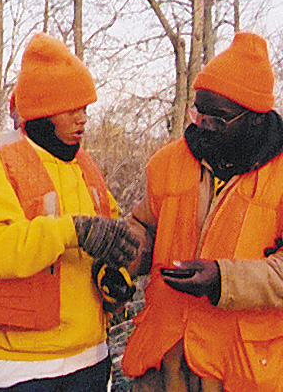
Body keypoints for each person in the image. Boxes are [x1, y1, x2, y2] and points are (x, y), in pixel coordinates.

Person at [0, 32, 139, 392]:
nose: (83, 119)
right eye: (72, 108)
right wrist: (71, 232)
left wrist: (113, 279)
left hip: (88, 357)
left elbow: (106, 236)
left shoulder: (85, 165)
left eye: (86, 108)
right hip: (15, 366)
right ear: (43, 111)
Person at [121, 31, 283, 392]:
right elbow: (145, 227)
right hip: (162, 366)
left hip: (241, 372)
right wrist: (125, 259)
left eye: (218, 118)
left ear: (256, 118)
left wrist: (223, 280)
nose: (203, 125)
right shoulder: (168, 162)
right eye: (199, 112)